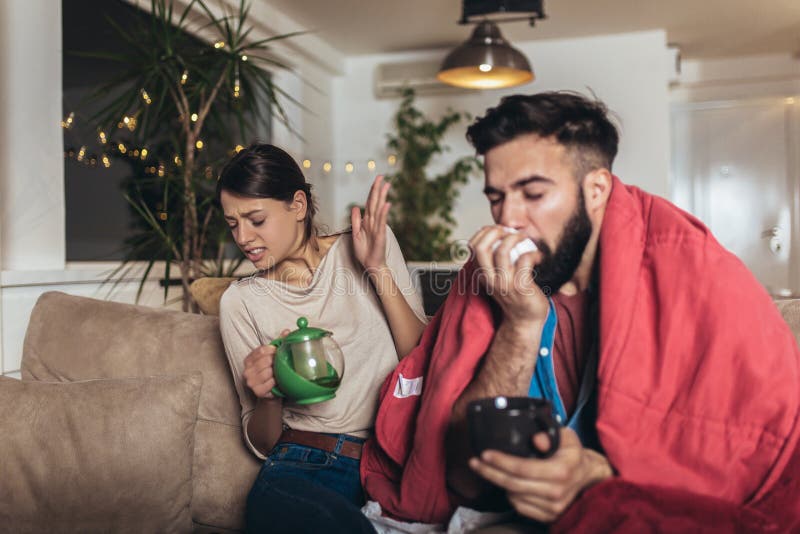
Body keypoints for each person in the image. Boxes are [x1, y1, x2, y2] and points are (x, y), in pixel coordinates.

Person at [360, 92, 800, 530]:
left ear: (596, 189)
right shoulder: (491, 273)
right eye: (496, 196)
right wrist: (521, 324)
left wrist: (600, 481)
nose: (508, 218)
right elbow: (462, 473)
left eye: (533, 193)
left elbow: (741, 460)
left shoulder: (689, 265)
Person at [216, 143, 427, 533]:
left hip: (391, 459)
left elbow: (419, 359)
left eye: (256, 219)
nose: (243, 237)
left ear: (298, 205)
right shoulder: (240, 302)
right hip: (304, 463)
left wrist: (376, 267)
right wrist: (267, 397)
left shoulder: (366, 245)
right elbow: (264, 443)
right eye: (233, 224)